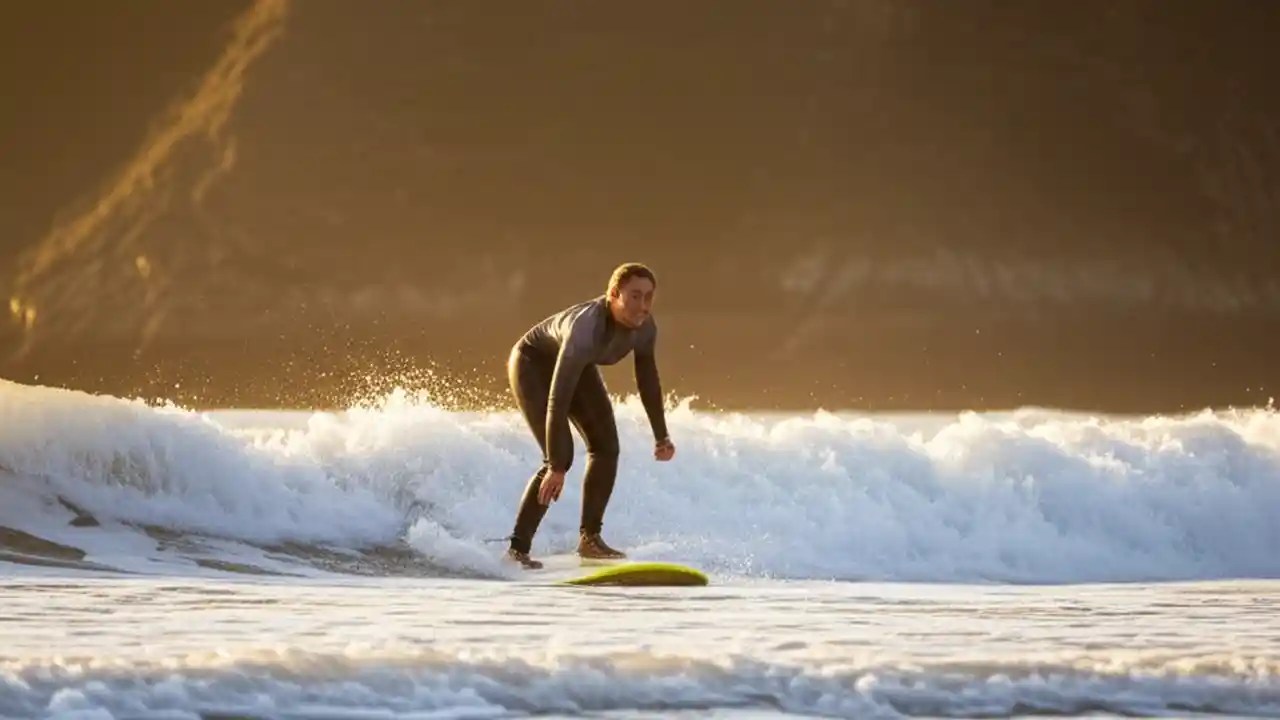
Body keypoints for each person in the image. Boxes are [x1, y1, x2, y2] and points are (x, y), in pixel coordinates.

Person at [503, 262, 676, 569]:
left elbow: (648, 380)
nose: (643, 306)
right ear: (613, 294)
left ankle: (590, 540)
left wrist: (661, 435)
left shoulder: (645, 328)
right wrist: (556, 465)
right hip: (533, 364)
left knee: (606, 447)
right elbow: (558, 399)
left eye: (649, 297)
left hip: (577, 367)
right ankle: (517, 551)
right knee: (560, 458)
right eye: (634, 296)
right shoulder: (585, 329)